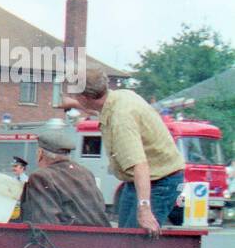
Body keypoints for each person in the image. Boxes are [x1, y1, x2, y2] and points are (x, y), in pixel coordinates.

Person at [62, 70, 184, 236]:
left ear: (85, 97)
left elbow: (140, 165)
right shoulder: (120, 96)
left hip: (159, 181)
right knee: (124, 237)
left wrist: (145, 209)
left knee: (135, 242)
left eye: (77, 96)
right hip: (142, 180)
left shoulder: (121, 119)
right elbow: (98, 109)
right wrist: (73, 104)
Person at [17, 125, 111, 227]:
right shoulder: (85, 172)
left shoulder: (41, 177)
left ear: (40, 154)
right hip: (101, 238)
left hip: (69, 240)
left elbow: (43, 223)